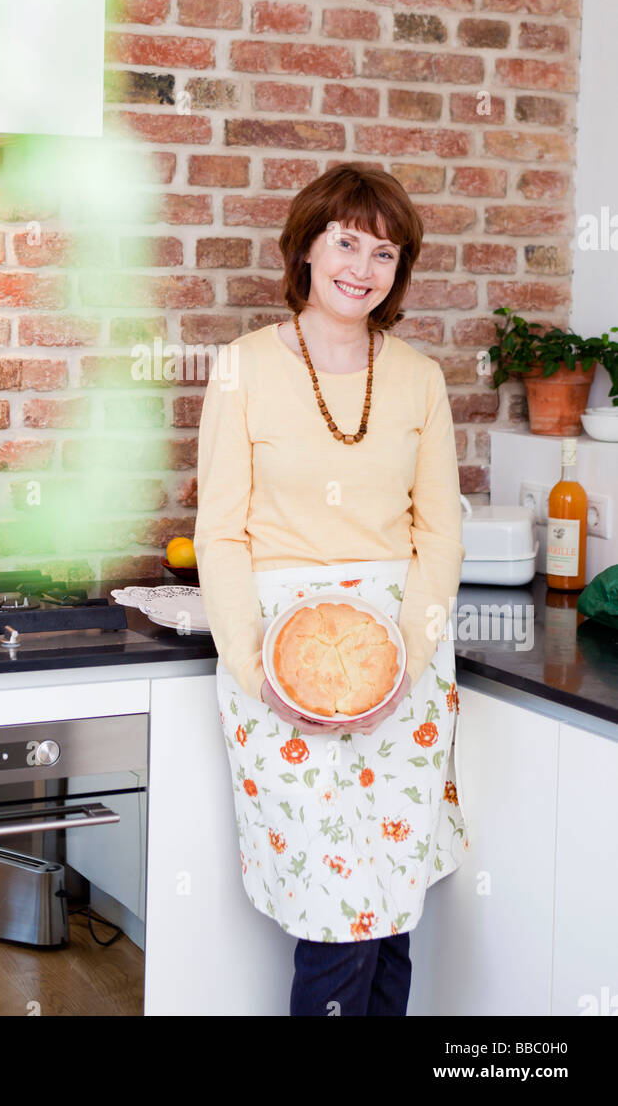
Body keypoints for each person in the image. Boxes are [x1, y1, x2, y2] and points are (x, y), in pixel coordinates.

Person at [193, 161, 469, 1017]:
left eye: (385, 251)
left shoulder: (420, 378)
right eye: (345, 241)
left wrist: (405, 662)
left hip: (403, 655)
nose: (362, 265)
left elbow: (439, 533)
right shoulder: (241, 368)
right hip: (276, 654)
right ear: (306, 249)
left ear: (400, 270)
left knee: (390, 903)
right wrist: (259, 670)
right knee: (334, 905)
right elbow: (221, 532)